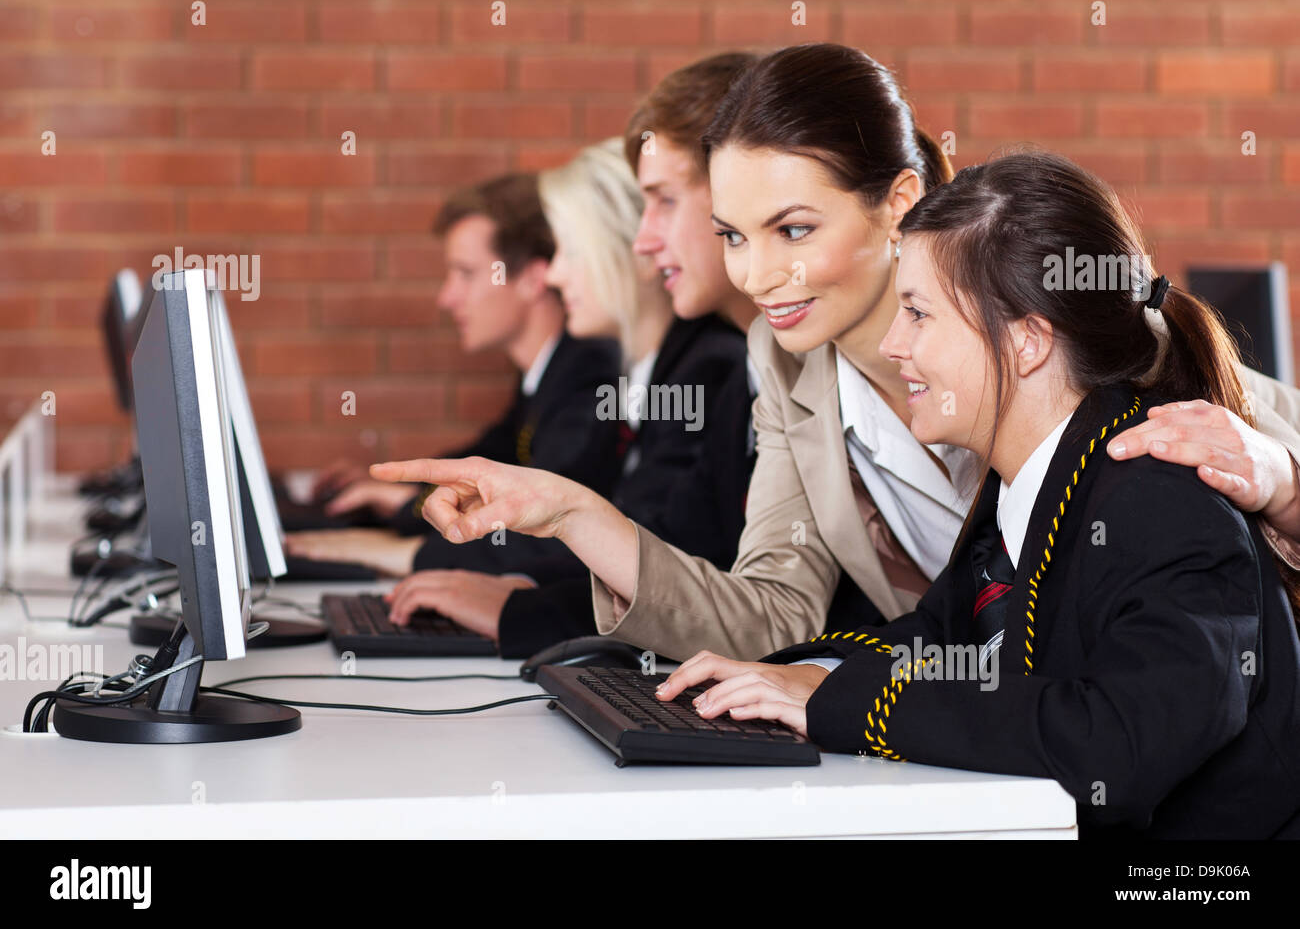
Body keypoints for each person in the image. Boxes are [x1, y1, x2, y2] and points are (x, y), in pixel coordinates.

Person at [369, 43, 1300, 663]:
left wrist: (1282, 478)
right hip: (1005, 727)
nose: (759, 275)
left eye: (795, 228)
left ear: (898, 203)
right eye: (734, 234)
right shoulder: (783, 363)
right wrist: (571, 516)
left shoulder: (1039, 304)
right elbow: (774, 611)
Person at [652, 151, 1300, 839]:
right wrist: (788, 679)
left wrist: (844, 704)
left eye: (918, 314)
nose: (895, 345)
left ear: (1026, 342)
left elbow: (1122, 742)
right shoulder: (1032, 480)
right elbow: (939, 639)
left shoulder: (1154, 497)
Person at [384, 53, 762, 657]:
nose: (555, 274)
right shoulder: (687, 367)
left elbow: (679, 559)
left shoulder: (711, 366)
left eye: (566, 248)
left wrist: (516, 607)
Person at [284, 172, 622, 574]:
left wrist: (407, 515)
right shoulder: (547, 373)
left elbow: (540, 529)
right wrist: (402, 490)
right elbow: (493, 455)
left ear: (533, 278)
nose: (447, 298)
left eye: (466, 273)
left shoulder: (589, 377)